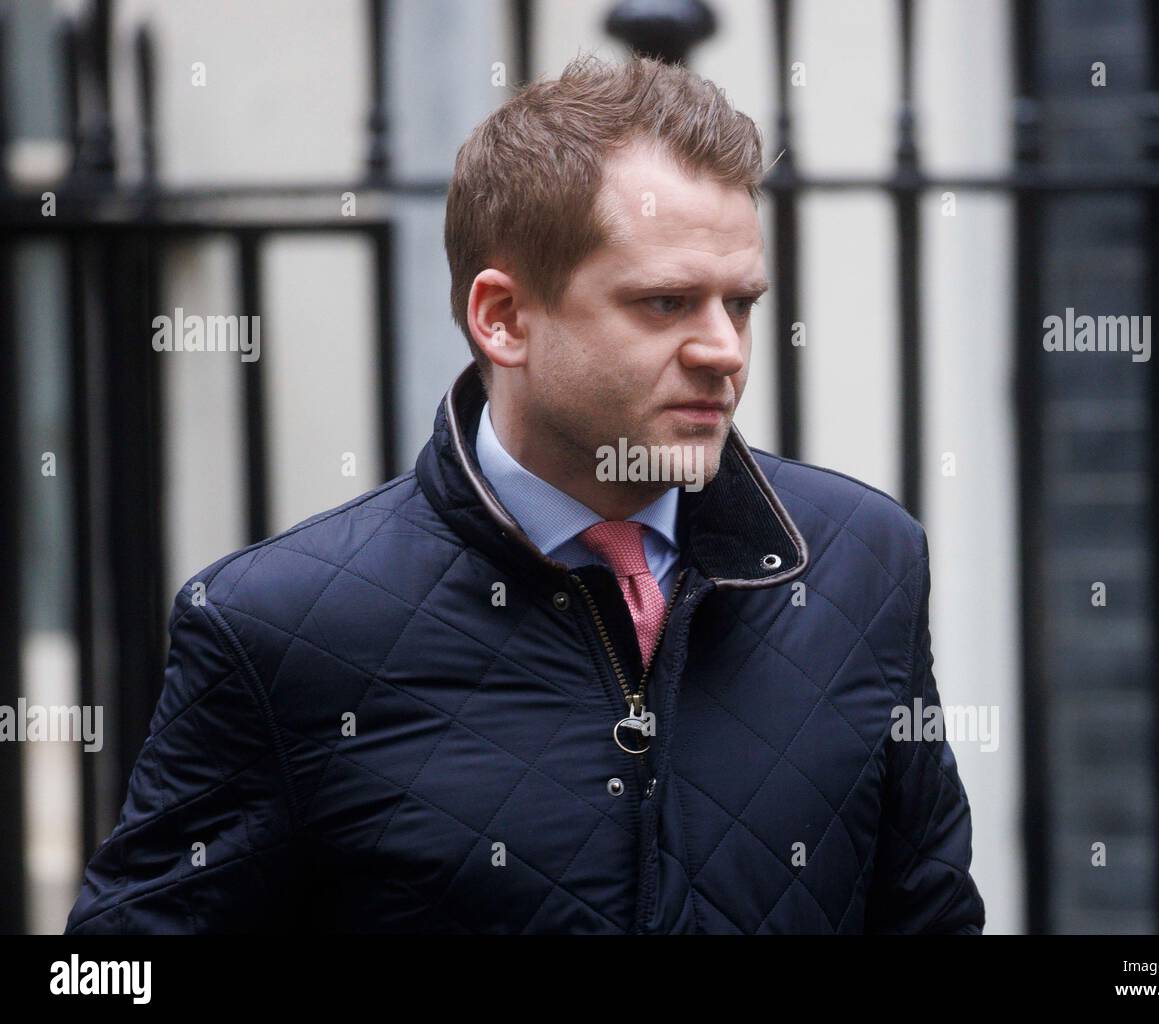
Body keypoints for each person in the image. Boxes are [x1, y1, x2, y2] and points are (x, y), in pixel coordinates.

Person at [65, 52, 985, 934]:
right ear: (503, 318)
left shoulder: (864, 561)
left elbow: (930, 916)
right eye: (665, 303)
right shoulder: (276, 629)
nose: (725, 351)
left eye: (739, 302)